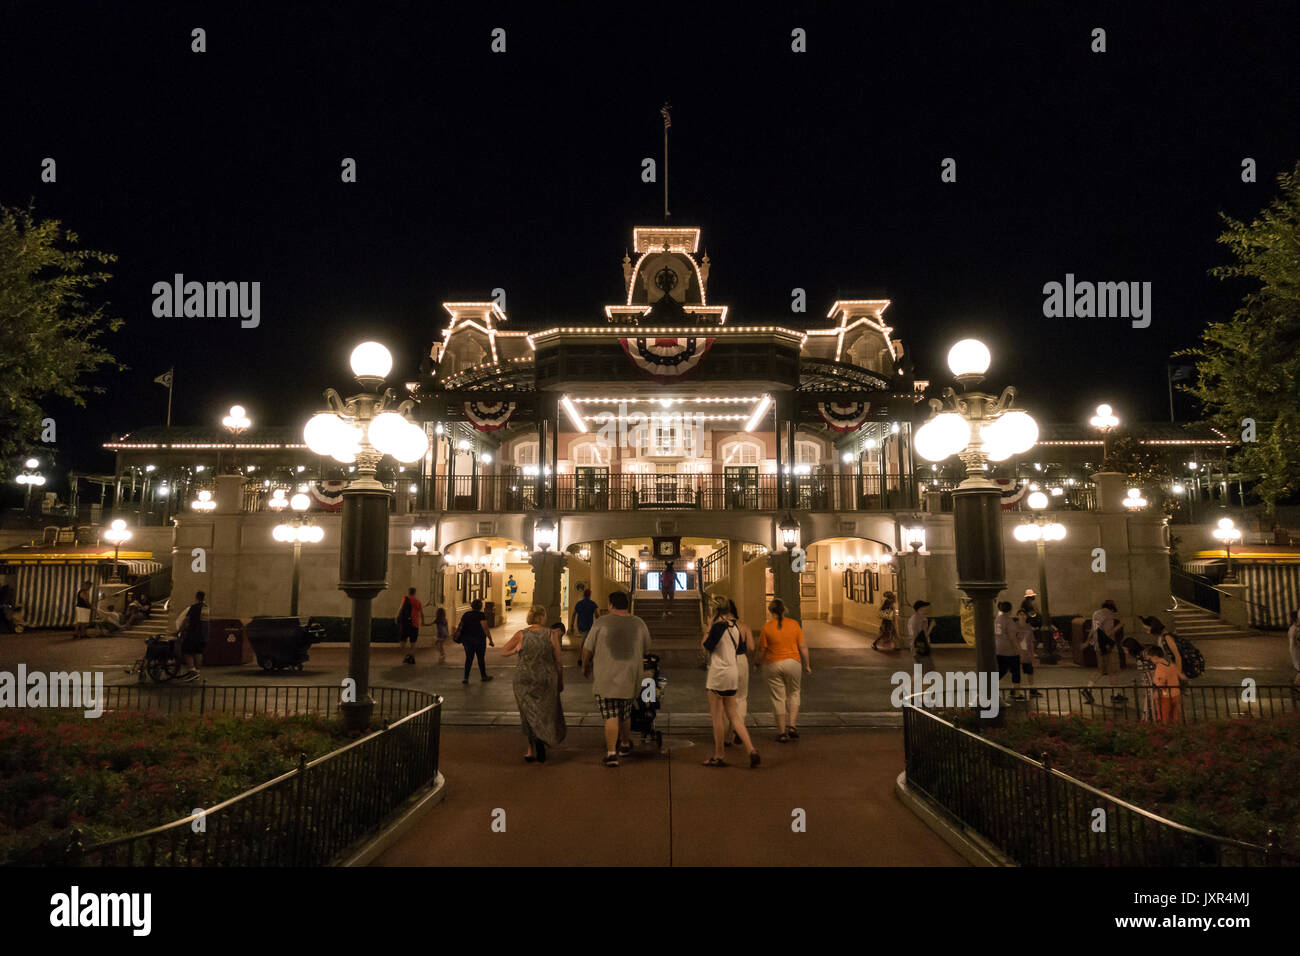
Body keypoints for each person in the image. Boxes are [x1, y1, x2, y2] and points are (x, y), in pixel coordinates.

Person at [582, 591, 651, 767]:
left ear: (611, 605)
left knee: (611, 715)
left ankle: (612, 753)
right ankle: (626, 744)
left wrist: (585, 666)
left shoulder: (600, 623)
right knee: (625, 713)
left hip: (606, 677)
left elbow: (587, 649)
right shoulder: (639, 623)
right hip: (630, 677)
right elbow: (646, 648)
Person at [499, 605, 566, 762]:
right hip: (546, 678)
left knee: (527, 713)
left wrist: (516, 650)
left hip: (524, 679)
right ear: (543, 617)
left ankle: (531, 749)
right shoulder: (551, 634)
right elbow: (558, 660)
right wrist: (560, 680)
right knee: (546, 711)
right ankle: (543, 739)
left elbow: (503, 651)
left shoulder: (521, 634)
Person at [701, 596, 760, 768]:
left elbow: (706, 647)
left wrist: (708, 629)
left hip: (718, 674)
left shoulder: (718, 627)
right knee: (734, 715)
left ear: (715, 609)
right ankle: (751, 749)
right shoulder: (733, 626)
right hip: (733, 672)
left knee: (717, 717)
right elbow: (739, 648)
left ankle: (719, 754)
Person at [756, 597, 810, 743]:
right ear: (784, 610)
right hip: (793, 663)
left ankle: (781, 732)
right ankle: (792, 725)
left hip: (773, 664)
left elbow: (762, 649)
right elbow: (803, 647)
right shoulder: (794, 624)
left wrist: (757, 663)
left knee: (778, 698)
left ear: (771, 611)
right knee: (794, 693)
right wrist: (807, 664)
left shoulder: (767, 627)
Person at [722, 599, 754, 747]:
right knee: (741, 697)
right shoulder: (744, 626)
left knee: (726, 700)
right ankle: (738, 729)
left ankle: (727, 736)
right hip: (741, 660)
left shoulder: (720, 627)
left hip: (726, 662)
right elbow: (751, 647)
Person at [1082, 599, 1123, 705]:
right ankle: (1115, 695)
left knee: (1100, 669)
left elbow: (1093, 629)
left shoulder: (1096, 614)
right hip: (1109, 647)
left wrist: (1087, 641)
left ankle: (1087, 689)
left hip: (1099, 647)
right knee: (1113, 671)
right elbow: (1108, 633)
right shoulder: (1109, 615)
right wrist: (1119, 626)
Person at [456, 598, 494, 684]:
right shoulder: (481, 615)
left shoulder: (466, 614)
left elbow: (461, 626)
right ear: (480, 607)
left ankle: (466, 678)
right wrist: (490, 640)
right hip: (479, 640)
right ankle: (483, 676)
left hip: (467, 640)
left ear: (472, 606)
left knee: (469, 658)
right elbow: (485, 628)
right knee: (480, 659)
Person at [1142, 642, 1182, 723]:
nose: (1151, 661)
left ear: (1155, 657)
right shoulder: (1170, 664)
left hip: (1165, 695)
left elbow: (1161, 682)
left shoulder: (1160, 666)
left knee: (1165, 718)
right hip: (1176, 693)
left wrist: (1157, 690)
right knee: (1175, 717)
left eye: (1150, 659)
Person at [174, 590, 209, 681]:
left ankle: (192, 671)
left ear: (196, 597)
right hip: (203, 634)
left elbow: (186, 620)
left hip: (193, 633)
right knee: (198, 652)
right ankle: (197, 672)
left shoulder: (194, 607)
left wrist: (179, 631)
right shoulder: (206, 608)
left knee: (187, 651)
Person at [994, 600, 1023, 700]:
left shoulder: (997, 618)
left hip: (998, 648)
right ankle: (1016, 692)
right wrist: (1019, 650)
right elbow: (1012, 637)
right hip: (1009, 650)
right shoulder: (1008, 620)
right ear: (1010, 610)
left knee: (1001, 669)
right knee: (1015, 671)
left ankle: (988, 686)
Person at [1014, 608, 1040, 697]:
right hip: (1017, 652)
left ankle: (1032, 689)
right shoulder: (1014, 627)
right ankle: (1015, 690)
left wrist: (1032, 654)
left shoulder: (1029, 627)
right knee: (1016, 672)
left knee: (1029, 671)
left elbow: (1032, 641)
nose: (1022, 616)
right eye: (1020, 614)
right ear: (1017, 616)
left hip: (1027, 652)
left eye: (1023, 614)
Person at [396, 587, 425, 665]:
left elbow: (400, 608)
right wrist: (423, 622)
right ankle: (411, 656)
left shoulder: (405, 599)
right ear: (415, 592)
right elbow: (421, 613)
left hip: (405, 624)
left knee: (402, 642)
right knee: (413, 642)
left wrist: (397, 617)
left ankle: (406, 656)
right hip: (414, 624)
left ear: (409, 592)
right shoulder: (418, 601)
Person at [907, 600, 936, 674]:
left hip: (916, 648)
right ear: (920, 608)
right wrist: (931, 627)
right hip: (920, 648)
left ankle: (910, 685)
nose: (927, 609)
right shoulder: (919, 620)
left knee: (920, 672)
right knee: (927, 672)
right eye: (925, 607)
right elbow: (922, 636)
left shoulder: (914, 618)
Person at [570, 588, 598, 656]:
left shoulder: (579, 604)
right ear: (590, 595)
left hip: (580, 625)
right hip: (589, 625)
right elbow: (597, 615)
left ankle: (583, 656)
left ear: (583, 595)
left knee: (584, 640)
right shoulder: (592, 604)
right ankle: (582, 657)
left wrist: (572, 624)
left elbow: (574, 614)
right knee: (585, 642)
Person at [1289, 610, 1300, 700]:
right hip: (1297, 654)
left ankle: (1294, 689)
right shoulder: (1294, 630)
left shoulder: (1294, 629)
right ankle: (1294, 689)